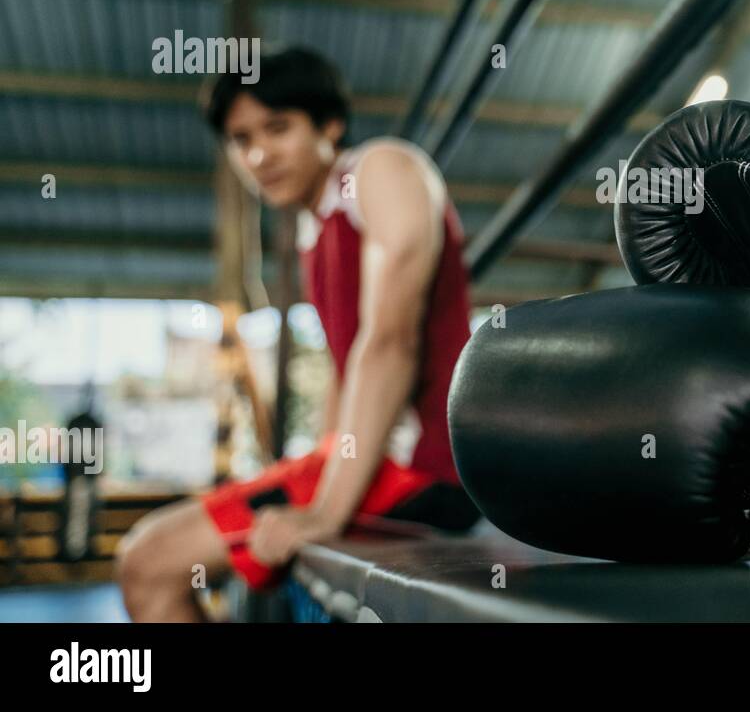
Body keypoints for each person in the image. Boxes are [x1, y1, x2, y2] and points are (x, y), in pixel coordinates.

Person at [116, 46, 478, 621]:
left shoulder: (381, 169)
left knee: (148, 561)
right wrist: (312, 467)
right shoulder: (316, 231)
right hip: (378, 467)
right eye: (241, 140)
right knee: (149, 557)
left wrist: (324, 510)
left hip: (424, 471)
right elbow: (346, 365)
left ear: (329, 125)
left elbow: (390, 342)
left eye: (278, 127)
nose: (259, 154)